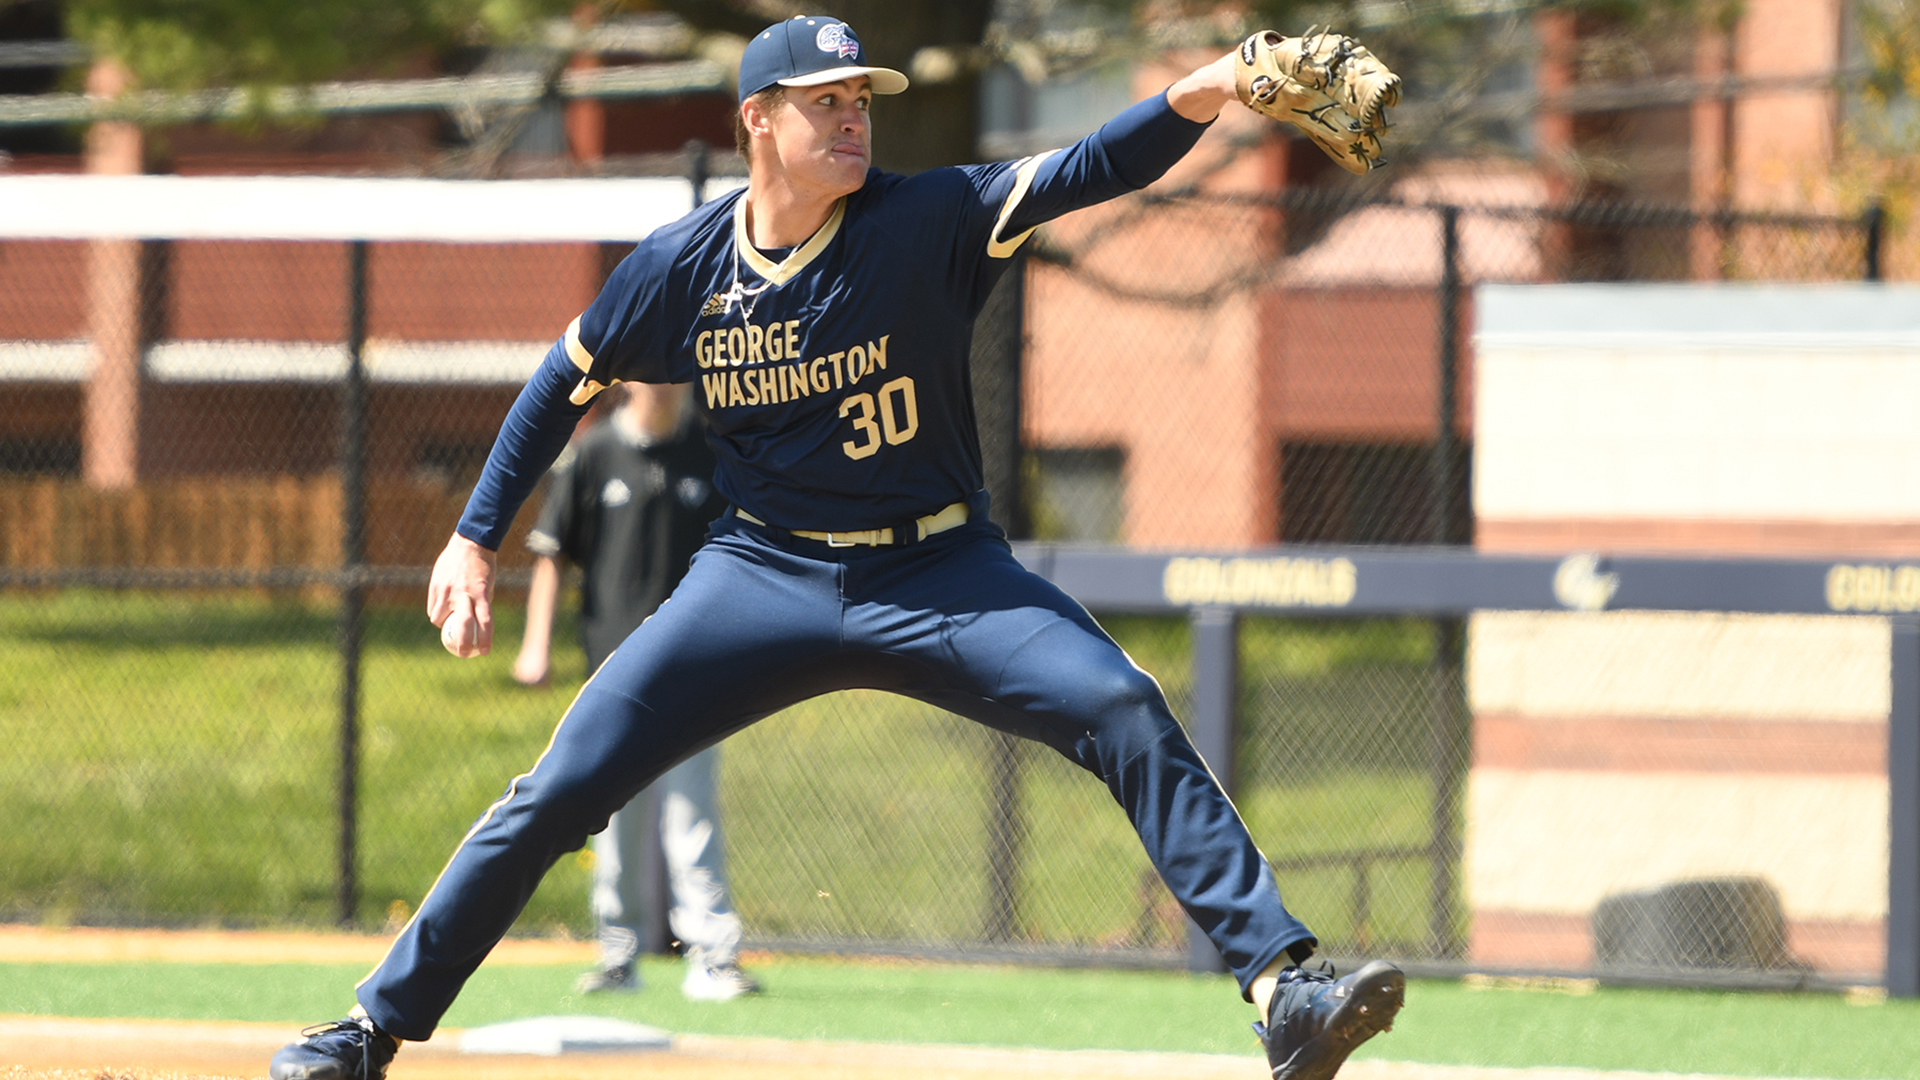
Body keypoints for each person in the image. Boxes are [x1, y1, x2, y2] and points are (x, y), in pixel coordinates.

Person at [270, 16, 1405, 1080]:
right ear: (758, 117)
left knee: (1123, 707)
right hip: (761, 574)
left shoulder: (930, 219)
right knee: (559, 785)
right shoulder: (682, 270)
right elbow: (562, 382)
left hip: (943, 575)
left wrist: (1207, 88)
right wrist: (475, 537)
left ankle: (1283, 991)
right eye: (827, 101)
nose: (855, 116)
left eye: (862, 97)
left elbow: (1089, 166)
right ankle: (370, 1031)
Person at [510, 380, 758, 1002]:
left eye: (677, 371)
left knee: (692, 811)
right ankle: (619, 956)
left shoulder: (712, 449)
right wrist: (535, 643)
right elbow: (553, 552)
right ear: (628, 379)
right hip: (615, 674)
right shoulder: (595, 452)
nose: (667, 384)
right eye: (654, 370)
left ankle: (713, 957)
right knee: (615, 817)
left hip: (697, 671)